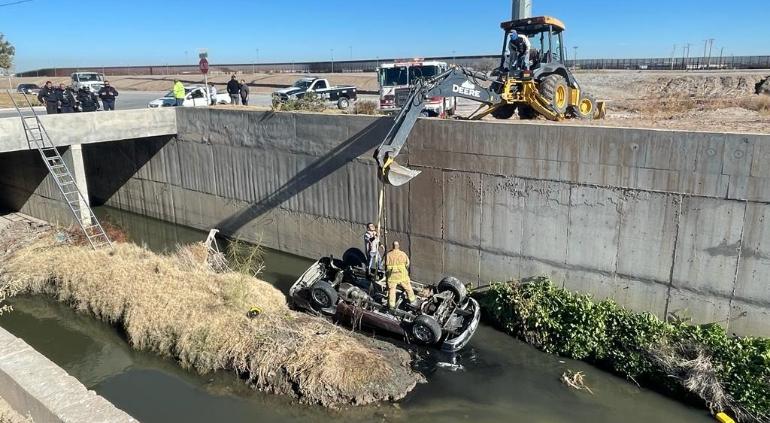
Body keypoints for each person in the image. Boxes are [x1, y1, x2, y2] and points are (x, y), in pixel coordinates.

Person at [385, 241, 416, 309]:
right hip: (402, 275)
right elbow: (407, 264)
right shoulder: (403, 254)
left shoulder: (388, 254)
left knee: (392, 290)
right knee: (408, 287)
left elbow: (386, 266)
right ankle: (412, 300)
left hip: (392, 276)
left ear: (392, 246)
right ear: (398, 246)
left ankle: (391, 305)